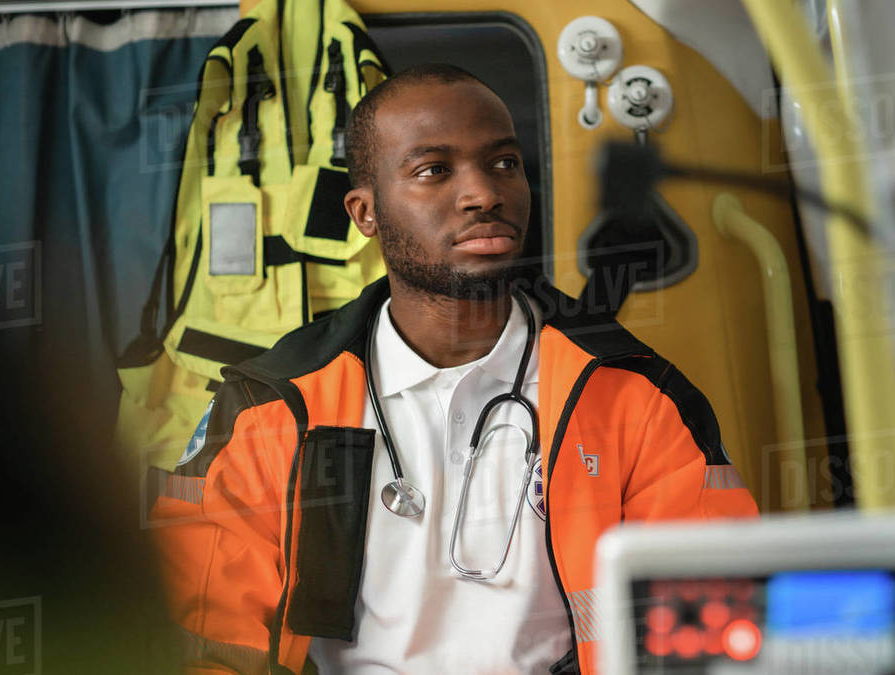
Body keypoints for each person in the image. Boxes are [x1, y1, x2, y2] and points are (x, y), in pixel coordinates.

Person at [149, 63, 757, 675]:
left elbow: (706, 626)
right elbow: (203, 641)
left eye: (504, 163)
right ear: (365, 213)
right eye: (434, 170)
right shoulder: (271, 408)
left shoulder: (635, 394)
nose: (484, 194)